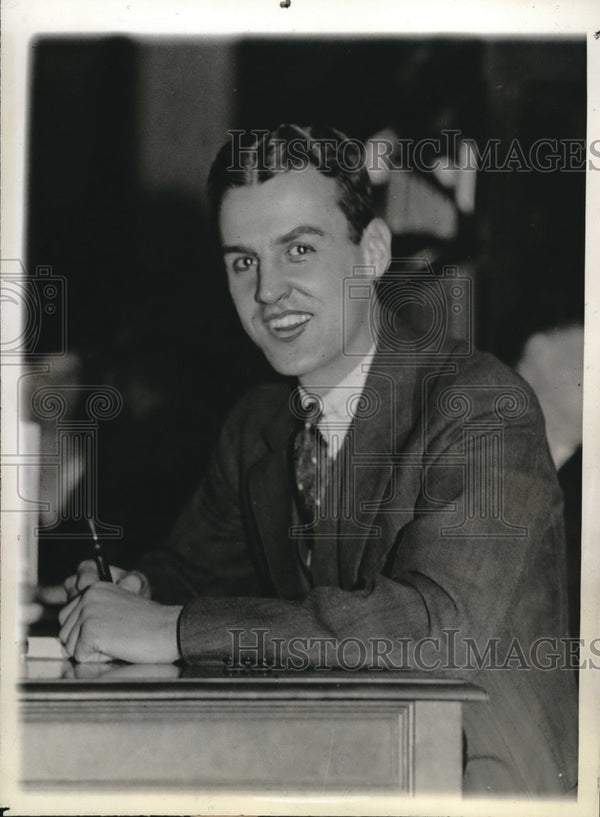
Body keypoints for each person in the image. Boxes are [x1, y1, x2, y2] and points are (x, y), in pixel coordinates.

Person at [59, 125, 577, 796]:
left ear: (374, 252)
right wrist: (135, 591)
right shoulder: (260, 423)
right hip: (341, 773)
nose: (268, 290)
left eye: (298, 249)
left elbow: (435, 633)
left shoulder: (479, 405)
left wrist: (173, 628)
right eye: (242, 261)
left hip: (479, 789)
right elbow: (190, 571)